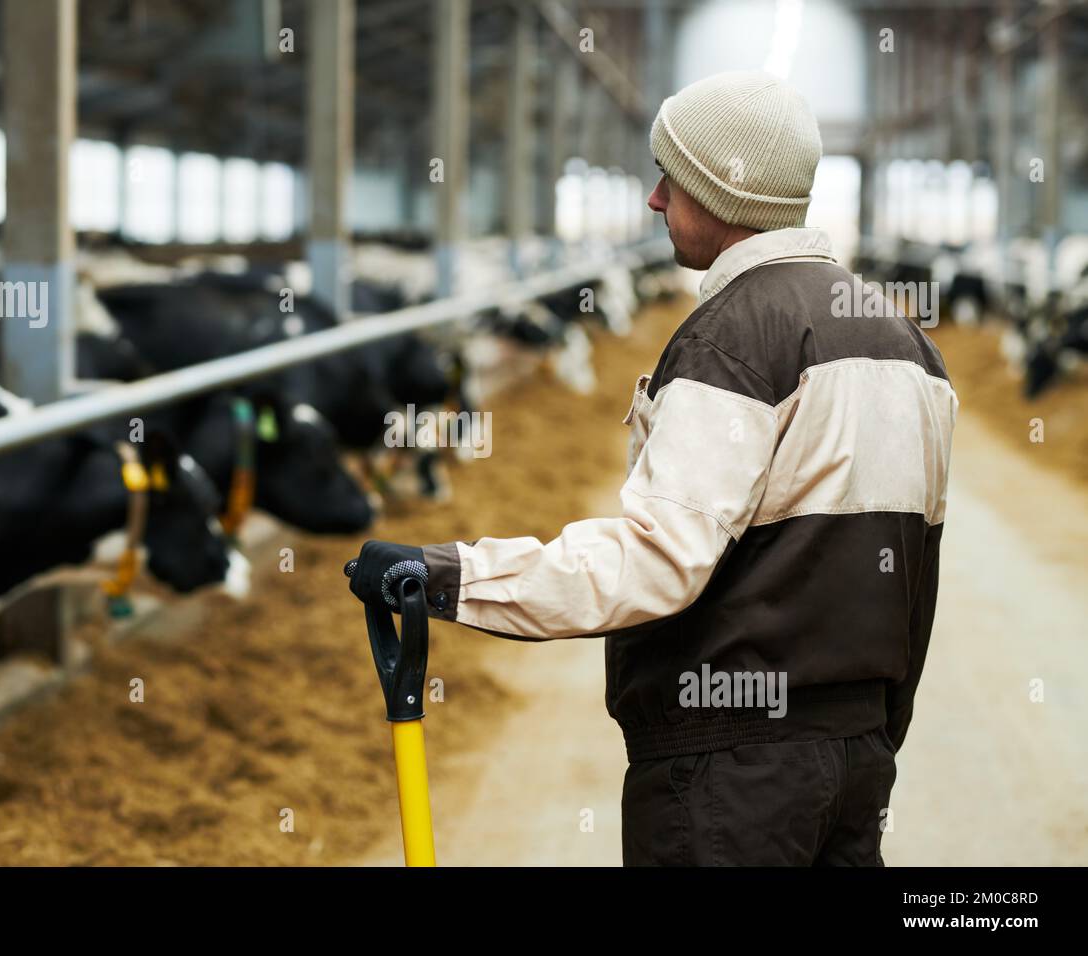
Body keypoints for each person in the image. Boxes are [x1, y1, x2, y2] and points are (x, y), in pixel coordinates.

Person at [346, 70, 958, 866]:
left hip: (726, 774)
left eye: (671, 177)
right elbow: (919, 574)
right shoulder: (911, 347)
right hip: (856, 762)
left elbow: (658, 561)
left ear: (716, 192)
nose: (654, 199)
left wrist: (450, 576)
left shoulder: (734, 339)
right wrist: (870, 735)